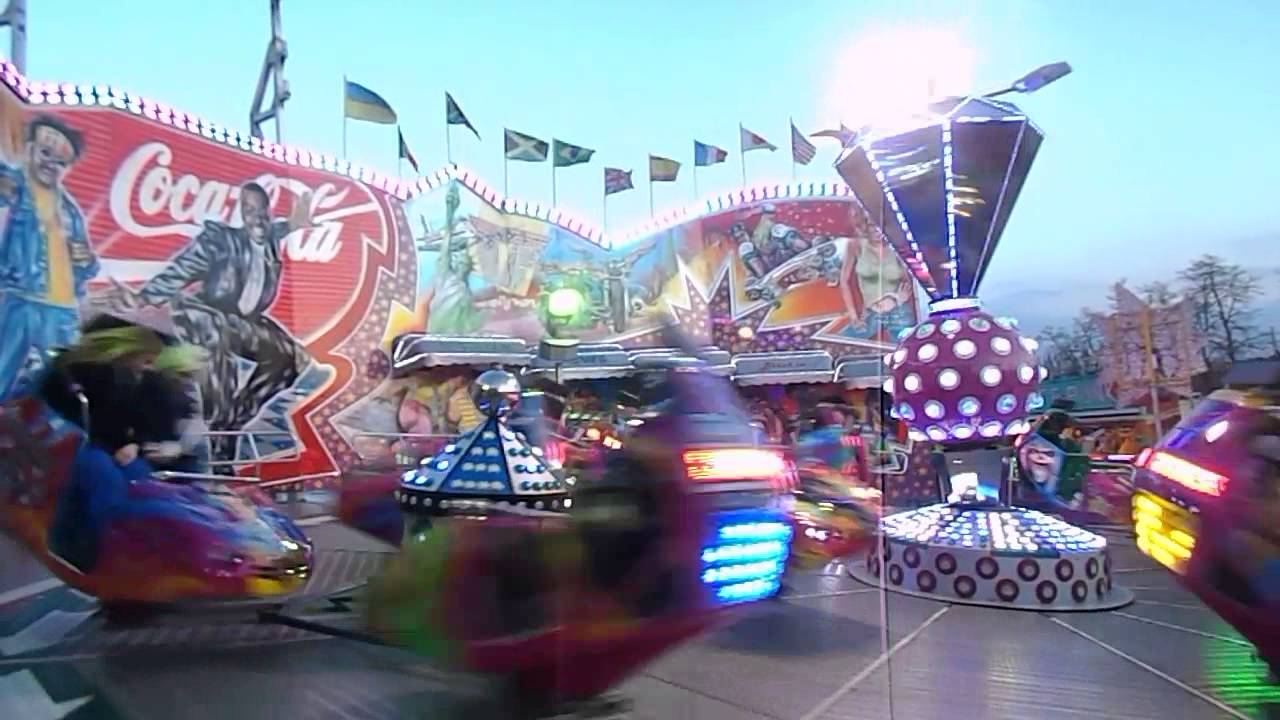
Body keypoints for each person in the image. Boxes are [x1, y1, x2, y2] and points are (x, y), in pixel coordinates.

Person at [120, 181, 317, 461]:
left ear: (268, 213)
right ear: (241, 214)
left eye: (261, 210)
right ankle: (219, 442)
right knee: (218, 360)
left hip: (243, 320)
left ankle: (232, 421)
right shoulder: (221, 240)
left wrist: (295, 224)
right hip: (205, 313)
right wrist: (144, 298)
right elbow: (183, 268)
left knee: (289, 358)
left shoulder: (269, 239)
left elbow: (276, 229)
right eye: (249, 210)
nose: (256, 216)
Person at [0, 112, 98, 401]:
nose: (51, 164)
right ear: (29, 148)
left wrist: (86, 260)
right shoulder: (15, 186)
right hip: (24, 301)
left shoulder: (70, 209)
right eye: (45, 152)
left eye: (60, 161)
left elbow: (87, 267)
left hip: (64, 311)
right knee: (4, 374)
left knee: (58, 389)